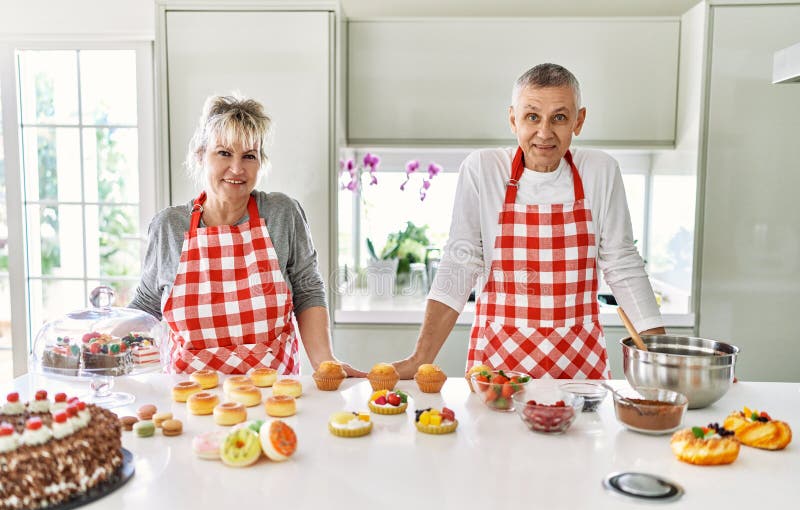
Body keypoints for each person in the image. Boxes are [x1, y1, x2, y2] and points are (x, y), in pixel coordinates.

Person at [392, 63, 665, 379]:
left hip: (579, 373)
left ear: (579, 120)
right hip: (497, 373)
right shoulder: (483, 169)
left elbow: (623, 264)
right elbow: (460, 262)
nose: (545, 132)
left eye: (559, 117)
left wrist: (661, 357)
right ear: (513, 119)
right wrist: (420, 358)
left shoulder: (600, 171)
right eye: (532, 116)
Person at [130, 95, 364, 377]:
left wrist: (326, 363)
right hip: (189, 397)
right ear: (201, 155)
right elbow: (145, 305)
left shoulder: (282, 213)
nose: (237, 169)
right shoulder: (169, 226)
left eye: (249, 156)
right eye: (224, 153)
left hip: (275, 396)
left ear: (260, 162)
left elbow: (307, 290)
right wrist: (103, 343)